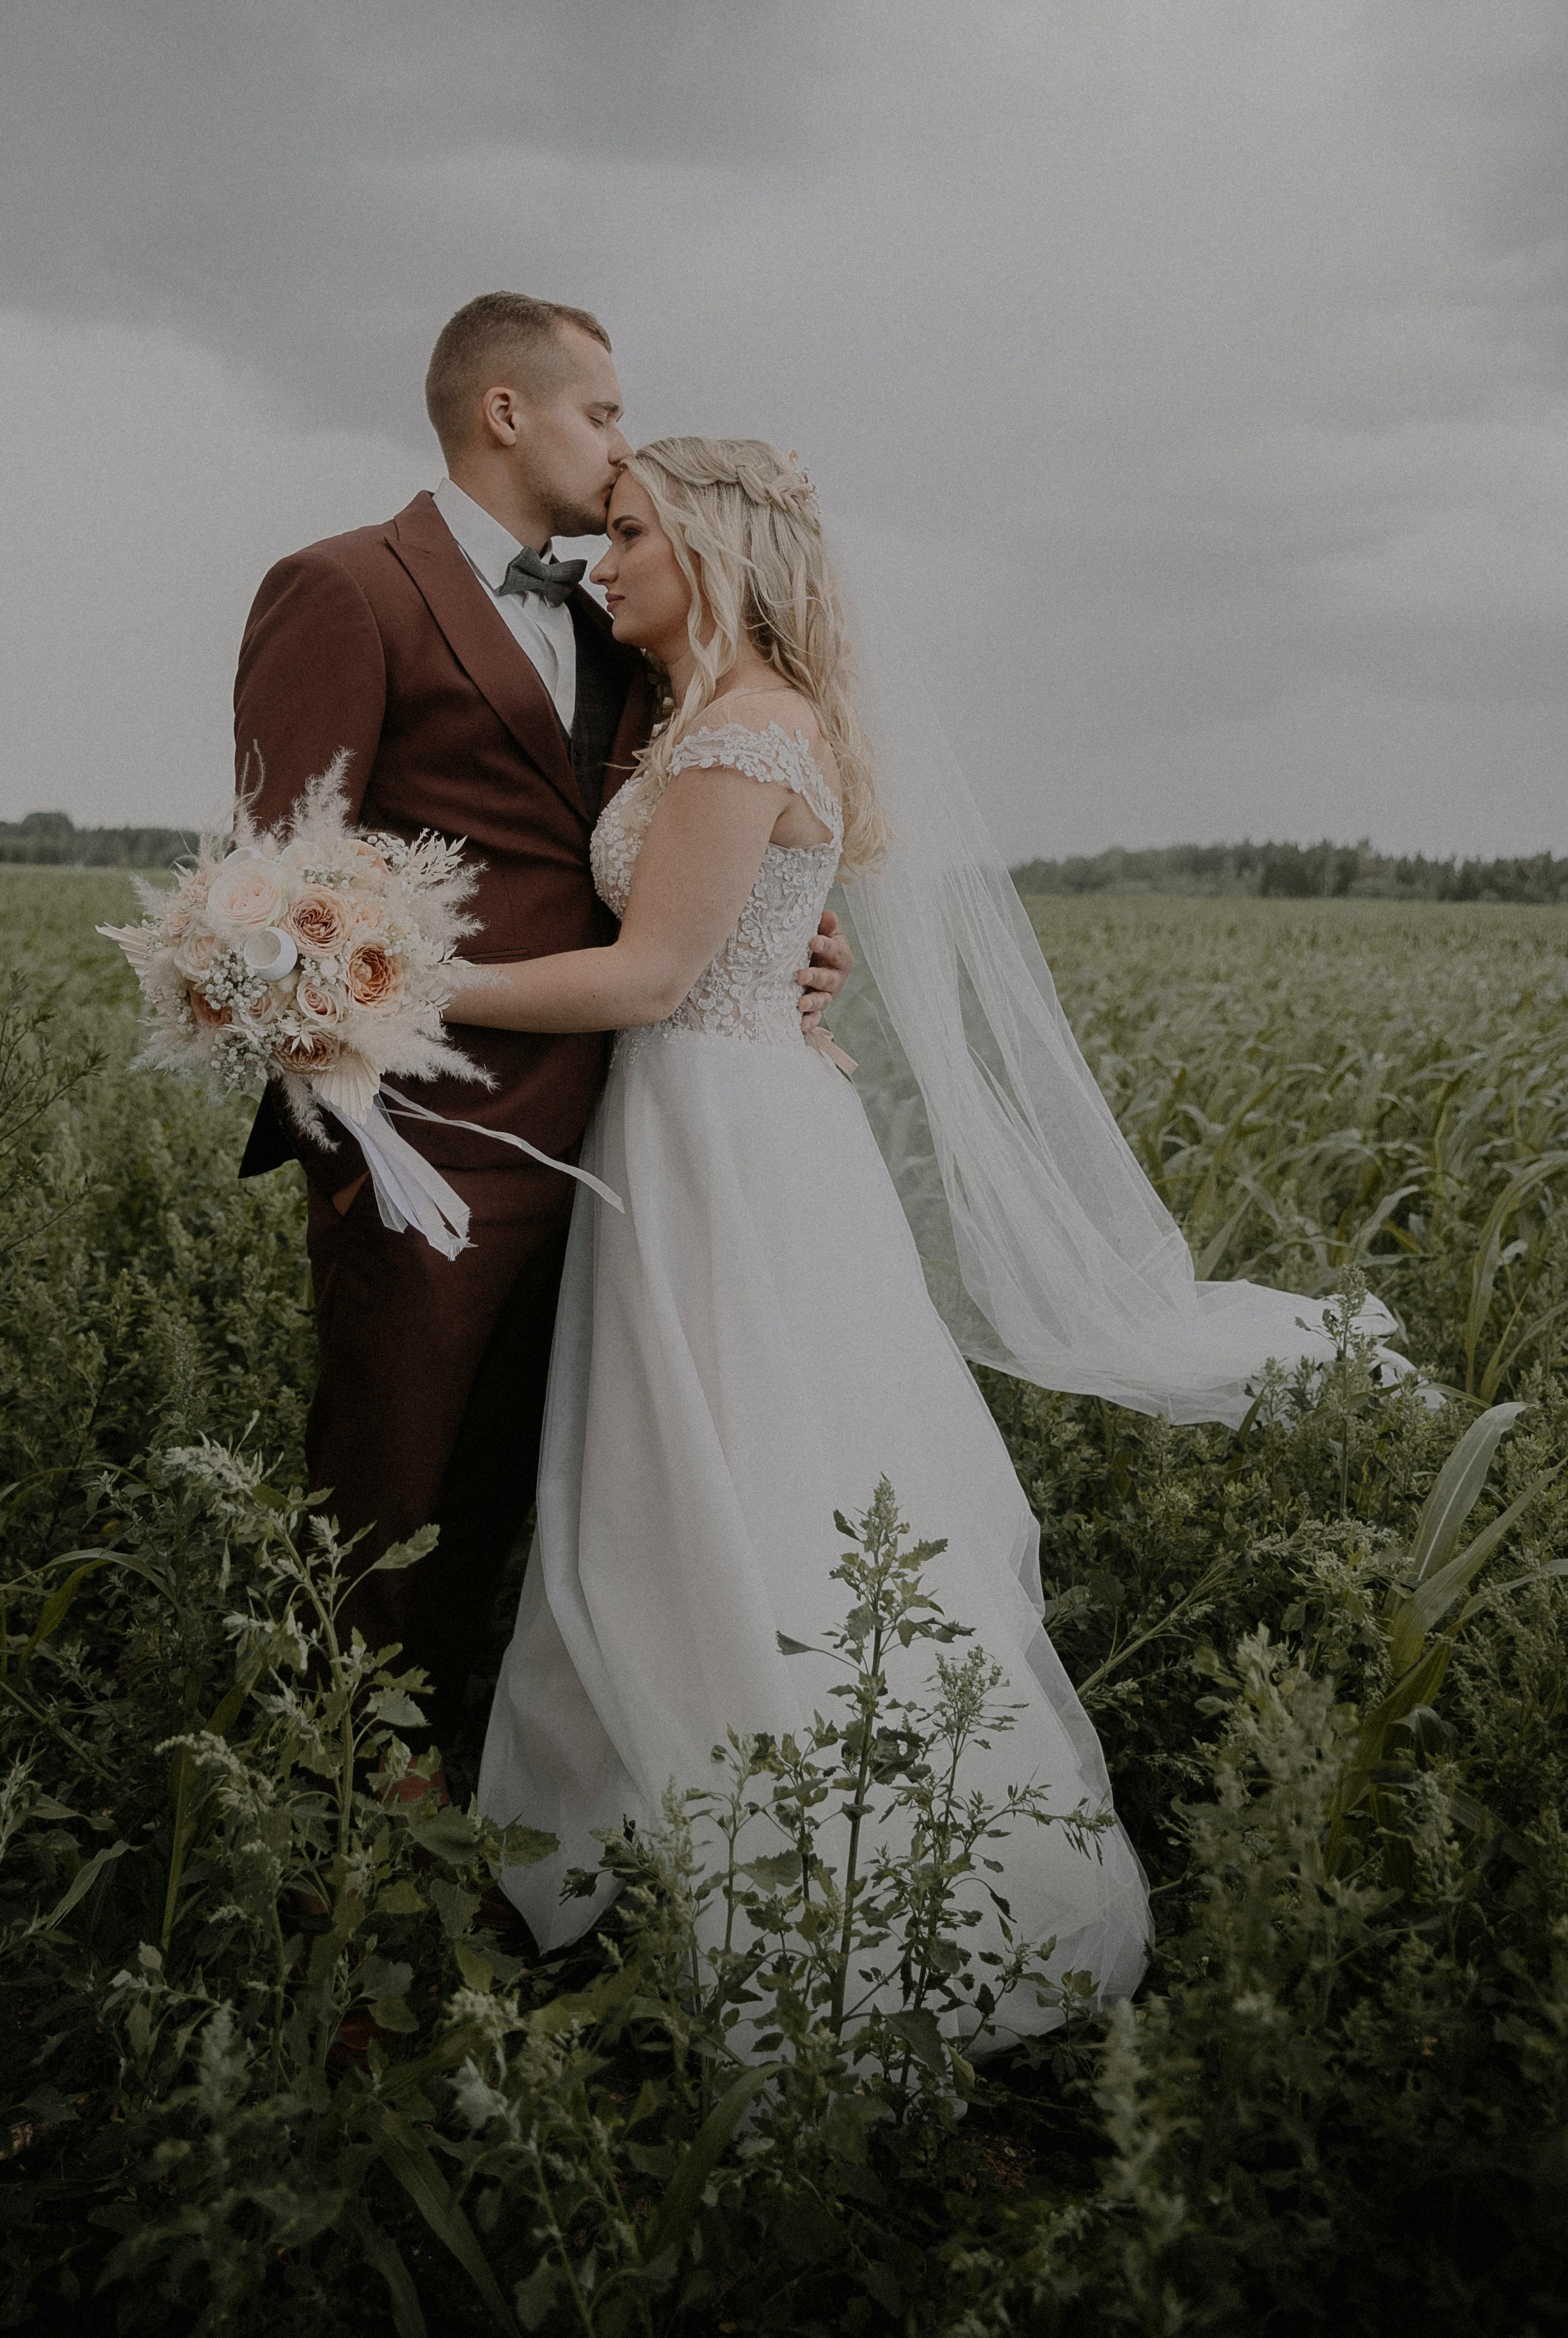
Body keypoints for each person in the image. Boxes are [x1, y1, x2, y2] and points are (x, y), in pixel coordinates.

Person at [445, 438, 1157, 2031]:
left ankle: (826, 1883)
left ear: (712, 552)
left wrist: (409, 987)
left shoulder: (744, 729)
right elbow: (729, 934)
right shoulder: (711, 718)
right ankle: (665, 1831)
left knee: (736, 1479)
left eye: (632, 534)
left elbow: (648, 977)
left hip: (719, 1137)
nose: (603, 562)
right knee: (694, 1474)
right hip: (713, 1118)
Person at [230, 304, 851, 1743]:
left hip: (631, 1133)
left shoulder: (619, 616)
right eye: (604, 415)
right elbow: (281, 881)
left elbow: (705, 836)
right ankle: (335, 1799)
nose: (624, 446)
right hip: (428, 1140)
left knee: (549, 1501)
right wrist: (347, 1097)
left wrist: (798, 939)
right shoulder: (345, 587)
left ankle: (467, 1776)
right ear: (507, 412)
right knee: (385, 1491)